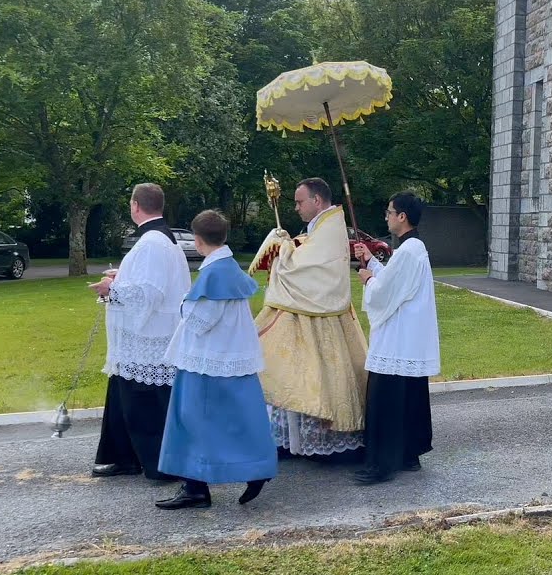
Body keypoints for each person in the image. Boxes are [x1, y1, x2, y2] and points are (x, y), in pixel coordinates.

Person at [155, 210, 278, 509]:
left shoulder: (215, 273)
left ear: (197, 241)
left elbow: (199, 322)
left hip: (205, 361)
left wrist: (183, 302)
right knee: (239, 420)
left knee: (192, 421)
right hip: (230, 358)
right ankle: (250, 470)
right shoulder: (228, 267)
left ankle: (196, 488)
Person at [251, 178, 368, 459]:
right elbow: (309, 251)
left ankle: (323, 443)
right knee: (296, 375)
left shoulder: (332, 225)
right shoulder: (322, 225)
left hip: (321, 318)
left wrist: (284, 249)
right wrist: (292, 242)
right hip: (306, 315)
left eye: (300, 201)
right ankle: (293, 441)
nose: (296, 207)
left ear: (317, 201)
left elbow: (305, 268)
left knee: (317, 379)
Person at [88, 183, 192, 479]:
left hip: (149, 336)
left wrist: (112, 287)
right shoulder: (160, 239)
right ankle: (123, 457)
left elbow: (149, 293)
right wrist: (122, 276)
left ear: (135, 205)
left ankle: (161, 465)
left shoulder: (152, 243)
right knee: (123, 395)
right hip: (143, 337)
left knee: (144, 404)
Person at [352, 192, 439, 485]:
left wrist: (368, 279)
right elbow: (395, 281)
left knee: (386, 401)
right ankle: (407, 454)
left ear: (402, 216)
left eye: (390, 212)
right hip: (409, 340)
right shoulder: (413, 249)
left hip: (397, 340)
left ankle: (381, 465)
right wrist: (371, 263)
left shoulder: (408, 251)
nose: (386, 217)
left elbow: (385, 293)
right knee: (408, 398)